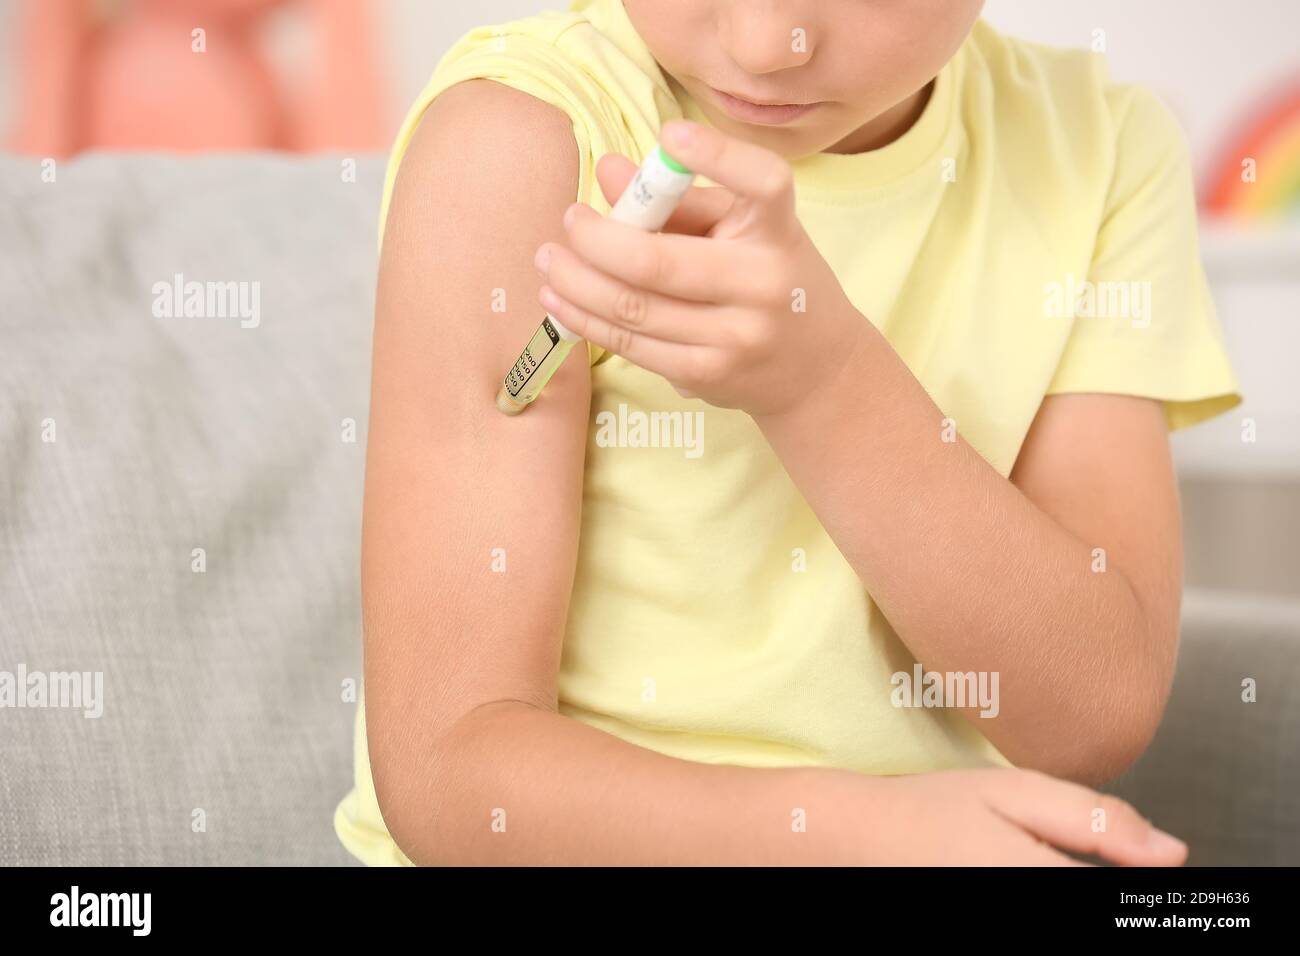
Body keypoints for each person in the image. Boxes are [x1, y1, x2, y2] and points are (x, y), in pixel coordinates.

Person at [335, 0, 1240, 866]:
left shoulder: (1099, 149)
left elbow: (1089, 713)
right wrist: (855, 841)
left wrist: (824, 380)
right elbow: (447, 769)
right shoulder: (522, 138)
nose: (769, 43)